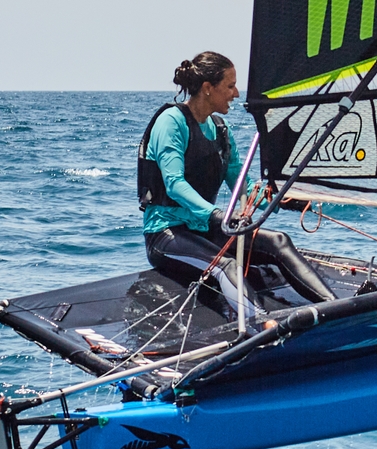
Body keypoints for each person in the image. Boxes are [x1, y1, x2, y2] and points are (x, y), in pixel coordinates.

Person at [139, 51, 332, 304]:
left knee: (278, 241)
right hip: (166, 234)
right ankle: (260, 326)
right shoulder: (172, 122)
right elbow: (174, 185)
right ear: (208, 88)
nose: (237, 93)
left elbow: (242, 183)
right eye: (230, 86)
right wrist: (217, 215)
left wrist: (283, 200)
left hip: (206, 229)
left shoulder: (220, 128)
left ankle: (336, 306)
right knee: (226, 265)